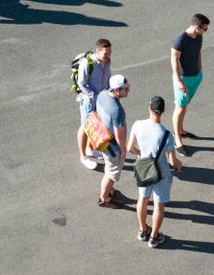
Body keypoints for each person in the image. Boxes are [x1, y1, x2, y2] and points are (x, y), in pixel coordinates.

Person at [127, 95, 182, 247]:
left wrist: (139, 154)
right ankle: (154, 236)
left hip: (144, 168)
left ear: (149, 107)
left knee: (143, 199)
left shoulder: (138, 125)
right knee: (158, 205)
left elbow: (129, 148)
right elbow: (171, 161)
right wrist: (179, 163)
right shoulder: (166, 134)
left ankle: (143, 230)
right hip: (161, 173)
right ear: (162, 112)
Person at [91, 75, 132, 209]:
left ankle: (110, 190)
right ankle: (104, 198)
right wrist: (123, 151)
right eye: (125, 89)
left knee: (109, 167)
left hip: (101, 138)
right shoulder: (117, 110)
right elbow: (120, 136)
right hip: (112, 147)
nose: (128, 91)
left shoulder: (103, 94)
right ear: (116, 90)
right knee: (111, 173)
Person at [170, 15, 210, 147]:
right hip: (183, 78)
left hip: (195, 76)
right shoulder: (180, 39)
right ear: (196, 27)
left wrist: (200, 70)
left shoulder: (199, 36)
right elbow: (174, 60)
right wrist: (179, 81)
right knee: (180, 107)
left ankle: (181, 130)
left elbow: (198, 52)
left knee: (185, 104)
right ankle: (177, 139)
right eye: (204, 29)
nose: (206, 31)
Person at [73, 38, 113, 169]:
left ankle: (91, 150)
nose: (108, 56)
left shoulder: (107, 61)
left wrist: (108, 92)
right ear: (98, 51)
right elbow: (81, 83)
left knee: (95, 125)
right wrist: (92, 96)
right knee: (85, 128)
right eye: (105, 54)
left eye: (109, 53)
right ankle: (83, 156)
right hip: (88, 101)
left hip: (101, 99)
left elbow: (107, 77)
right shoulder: (87, 63)